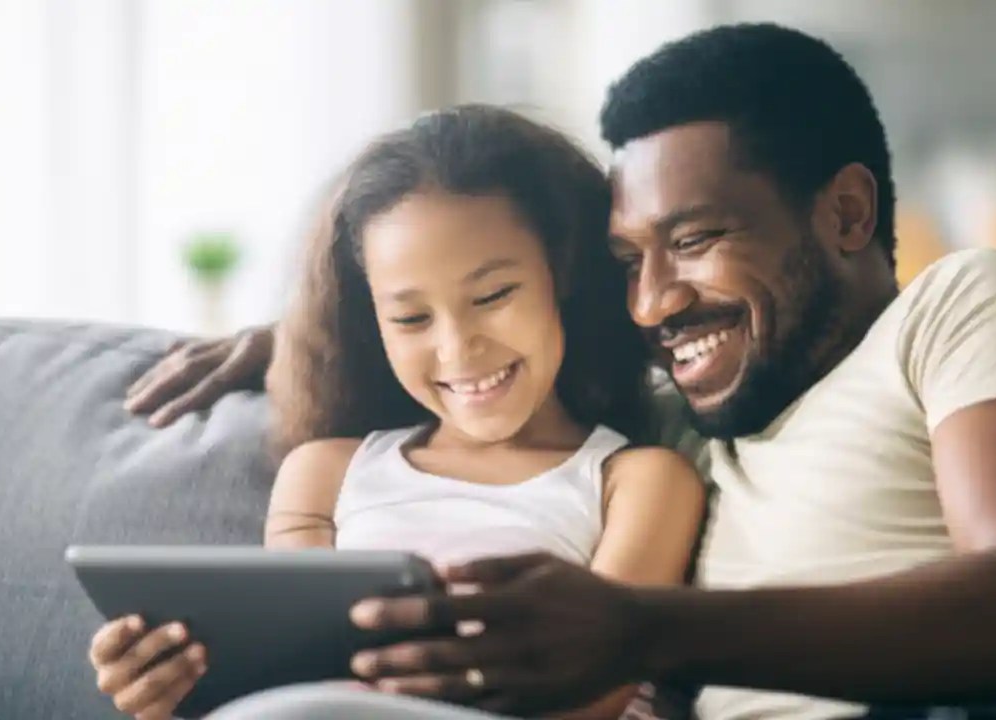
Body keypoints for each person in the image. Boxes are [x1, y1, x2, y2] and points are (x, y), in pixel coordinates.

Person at [125, 23, 996, 720]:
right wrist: (307, 335)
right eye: (628, 262)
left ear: (844, 212)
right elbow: (494, 364)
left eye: (694, 240)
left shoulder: (959, 305)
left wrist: (638, 631)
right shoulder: (673, 420)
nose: (653, 301)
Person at [92, 105, 706, 720]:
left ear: (563, 273)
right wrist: (177, 686)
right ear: (373, 325)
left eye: (493, 295)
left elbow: (598, 691)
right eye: (411, 318)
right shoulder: (323, 473)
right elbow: (296, 668)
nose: (457, 348)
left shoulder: (639, 481)